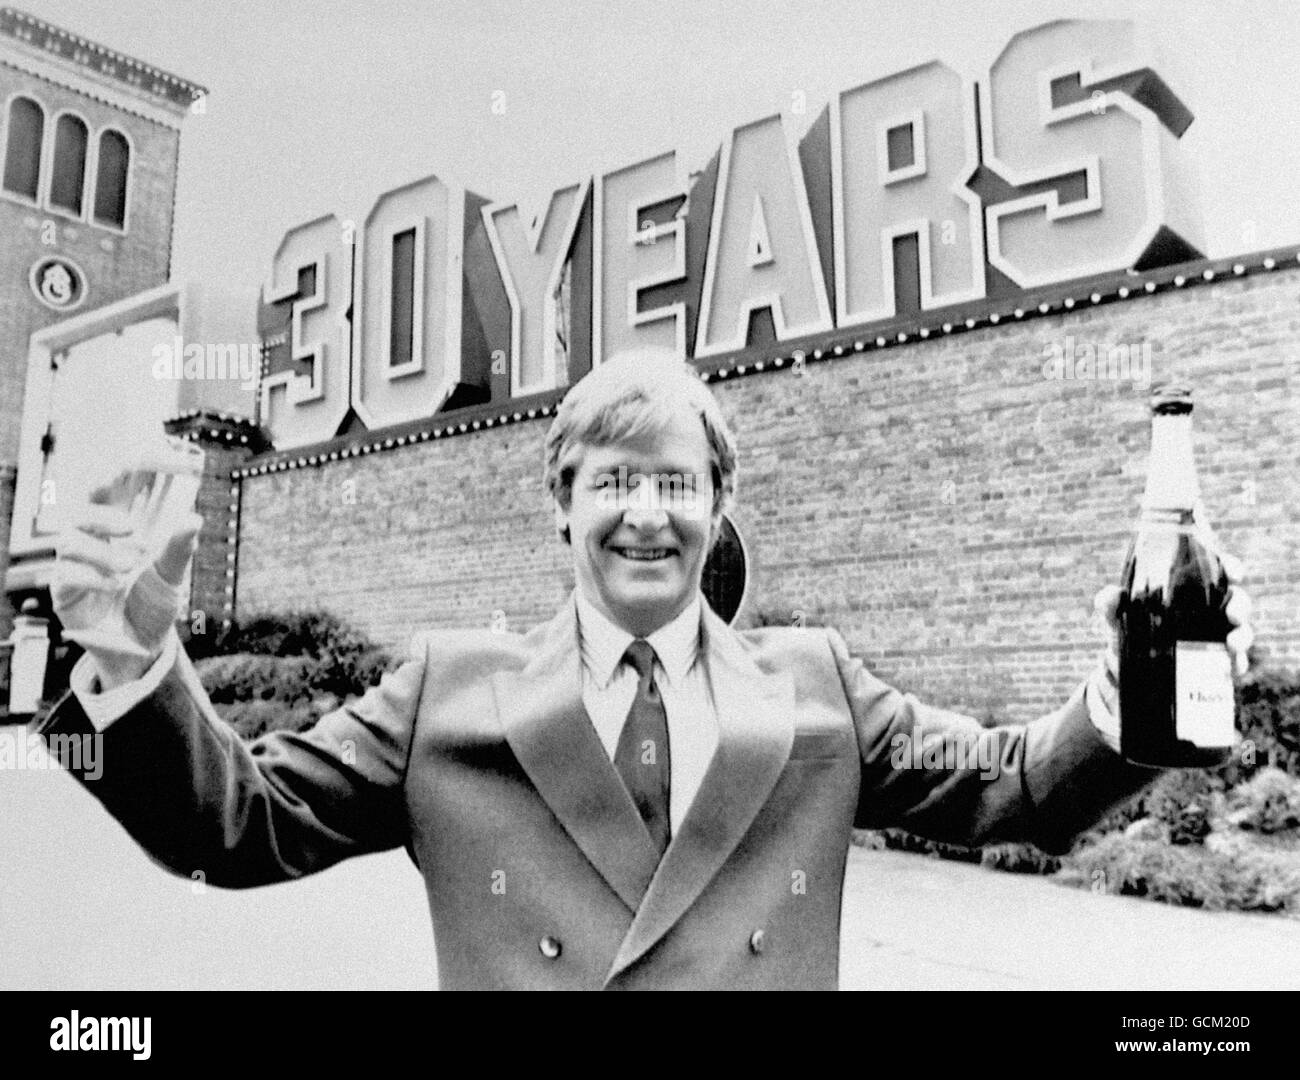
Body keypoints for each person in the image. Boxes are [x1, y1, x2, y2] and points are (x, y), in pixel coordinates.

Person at [39, 349, 1254, 990]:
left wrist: (1132, 689)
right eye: (612, 482)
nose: (644, 515)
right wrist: (134, 651)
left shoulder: (816, 685)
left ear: (718, 508)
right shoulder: (441, 693)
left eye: (676, 483)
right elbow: (238, 831)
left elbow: (1014, 789)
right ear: (560, 508)